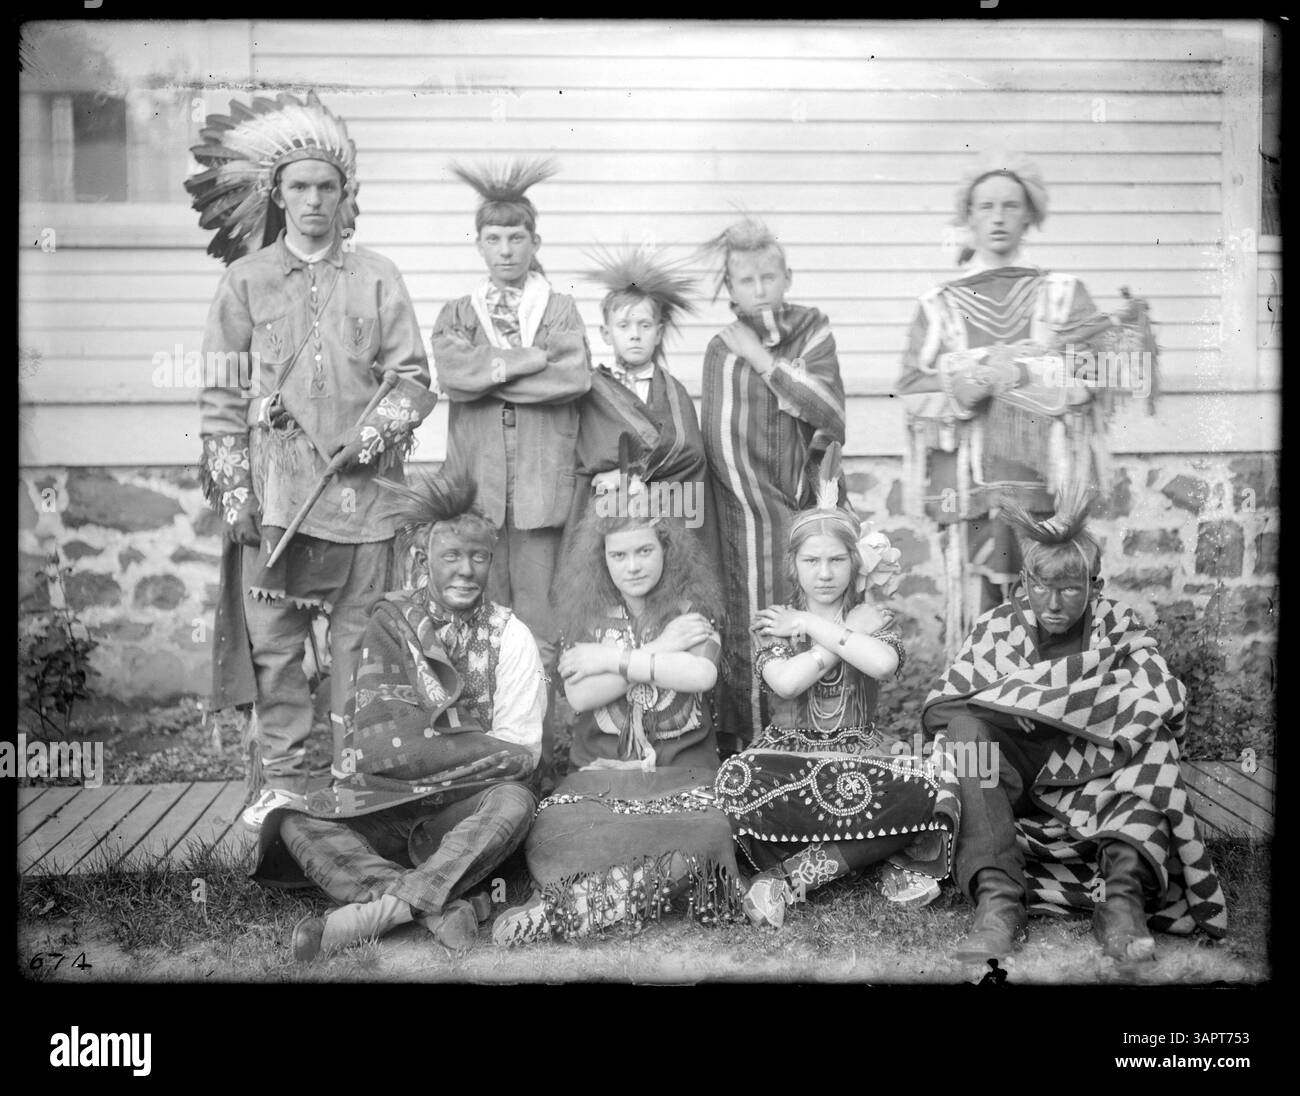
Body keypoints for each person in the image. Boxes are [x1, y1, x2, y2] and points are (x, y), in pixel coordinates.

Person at [187, 91, 436, 821]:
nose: (313, 201)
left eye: (327, 187)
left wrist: (375, 433)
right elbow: (220, 397)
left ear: (345, 195)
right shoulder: (245, 281)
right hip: (275, 505)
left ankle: (355, 796)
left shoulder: (378, 276)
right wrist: (236, 498)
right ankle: (289, 795)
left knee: (360, 655)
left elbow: (414, 378)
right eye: (299, 186)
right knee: (276, 655)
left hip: (364, 504)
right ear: (278, 193)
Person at [922, 483, 1227, 964]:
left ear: (1095, 587)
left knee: (1155, 747)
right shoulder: (997, 627)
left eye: (1069, 588)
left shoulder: (1119, 625)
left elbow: (1163, 696)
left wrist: (1067, 709)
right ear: (1023, 582)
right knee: (965, 736)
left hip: (1097, 781)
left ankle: (1122, 908)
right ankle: (1000, 904)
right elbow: (941, 706)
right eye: (1040, 586)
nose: (1054, 602)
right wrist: (1017, 710)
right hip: (1015, 782)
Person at [250, 472, 547, 961]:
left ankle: (374, 912)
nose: (465, 571)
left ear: (491, 561)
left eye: (478, 557)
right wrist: (440, 753)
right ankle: (439, 905)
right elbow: (377, 746)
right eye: (451, 556)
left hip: (464, 812)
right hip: (386, 805)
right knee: (291, 821)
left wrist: (436, 757)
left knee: (515, 800)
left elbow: (521, 754)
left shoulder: (510, 635)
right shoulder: (393, 621)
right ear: (425, 559)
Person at [896, 151, 1159, 658]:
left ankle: (1053, 706)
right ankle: (983, 703)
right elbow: (910, 386)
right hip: (973, 486)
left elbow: (1095, 375)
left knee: (1051, 592)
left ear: (1029, 215)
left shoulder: (1061, 296)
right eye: (985, 206)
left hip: (1045, 482)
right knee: (984, 601)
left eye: (1010, 205)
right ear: (967, 217)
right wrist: (963, 384)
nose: (997, 217)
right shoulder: (940, 306)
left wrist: (1018, 372)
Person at [713, 445, 955, 927]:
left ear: (854, 565)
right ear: (793, 565)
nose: (824, 574)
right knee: (735, 784)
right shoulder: (777, 623)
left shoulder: (875, 618)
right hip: (788, 756)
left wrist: (824, 627)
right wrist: (819, 627)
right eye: (811, 561)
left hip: (863, 753)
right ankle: (878, 854)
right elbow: (784, 683)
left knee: (935, 785)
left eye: (836, 561)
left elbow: (882, 664)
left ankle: (787, 880)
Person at [490, 499, 744, 944]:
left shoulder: (693, 609)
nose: (632, 567)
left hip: (682, 777)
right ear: (601, 558)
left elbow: (699, 674)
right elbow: (582, 693)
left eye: (644, 551)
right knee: (552, 831)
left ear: (666, 549)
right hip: (599, 780)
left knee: (712, 830)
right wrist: (661, 651)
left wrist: (614, 659)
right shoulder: (585, 616)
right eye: (618, 555)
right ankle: (640, 891)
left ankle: (578, 904)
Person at [430, 158, 592, 785]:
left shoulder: (558, 308)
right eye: (493, 238)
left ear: (535, 242)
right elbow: (454, 373)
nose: (505, 249)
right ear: (477, 244)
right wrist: (527, 363)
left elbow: (571, 377)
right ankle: (485, 760)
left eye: (517, 237)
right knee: (476, 621)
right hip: (478, 495)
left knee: (540, 628)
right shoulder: (458, 311)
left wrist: (493, 374)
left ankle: (548, 761)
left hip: (539, 497)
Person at [697, 217, 847, 756]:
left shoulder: (815, 329)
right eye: (746, 281)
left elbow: (830, 412)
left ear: (788, 276)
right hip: (743, 516)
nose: (759, 290)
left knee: (812, 613)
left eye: (768, 277)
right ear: (730, 289)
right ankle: (755, 748)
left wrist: (765, 362)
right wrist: (750, 502)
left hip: (807, 503)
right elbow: (718, 442)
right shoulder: (720, 348)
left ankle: (818, 737)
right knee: (751, 622)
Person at [563, 244, 719, 561]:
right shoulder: (589, 391)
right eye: (624, 326)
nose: (635, 335)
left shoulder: (674, 393)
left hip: (666, 517)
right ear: (606, 333)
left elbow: (690, 458)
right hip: (606, 518)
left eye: (644, 325)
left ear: (659, 333)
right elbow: (584, 458)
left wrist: (628, 477)